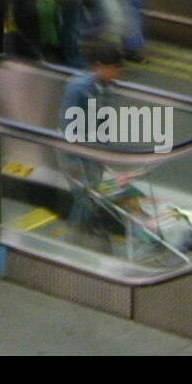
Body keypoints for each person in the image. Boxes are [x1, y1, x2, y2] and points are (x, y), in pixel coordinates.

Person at [60, 43, 125, 241]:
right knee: (84, 199)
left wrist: (105, 154)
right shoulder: (78, 88)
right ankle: (72, 237)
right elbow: (67, 127)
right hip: (75, 153)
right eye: (114, 69)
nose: (117, 74)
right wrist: (74, 162)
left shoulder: (106, 87)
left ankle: (82, 231)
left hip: (93, 151)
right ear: (99, 66)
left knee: (91, 195)